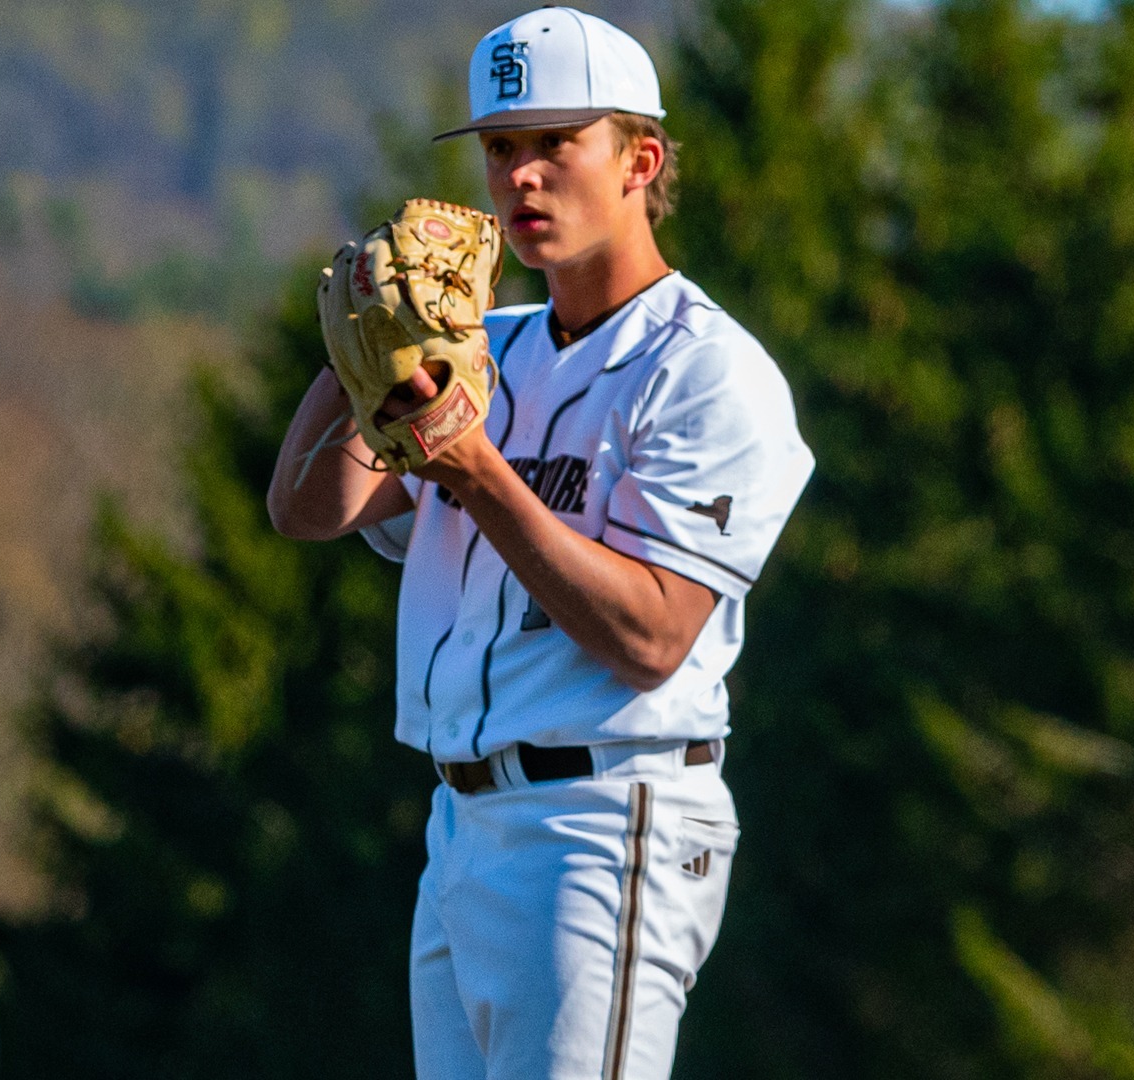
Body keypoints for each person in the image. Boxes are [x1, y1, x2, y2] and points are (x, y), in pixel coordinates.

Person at [266, 8, 814, 1078]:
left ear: (638, 160)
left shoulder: (705, 371)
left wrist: (476, 471)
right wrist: (360, 352)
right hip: (463, 826)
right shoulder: (487, 347)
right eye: (502, 147)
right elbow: (305, 508)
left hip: (608, 821)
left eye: (556, 143)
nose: (519, 177)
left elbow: (653, 634)